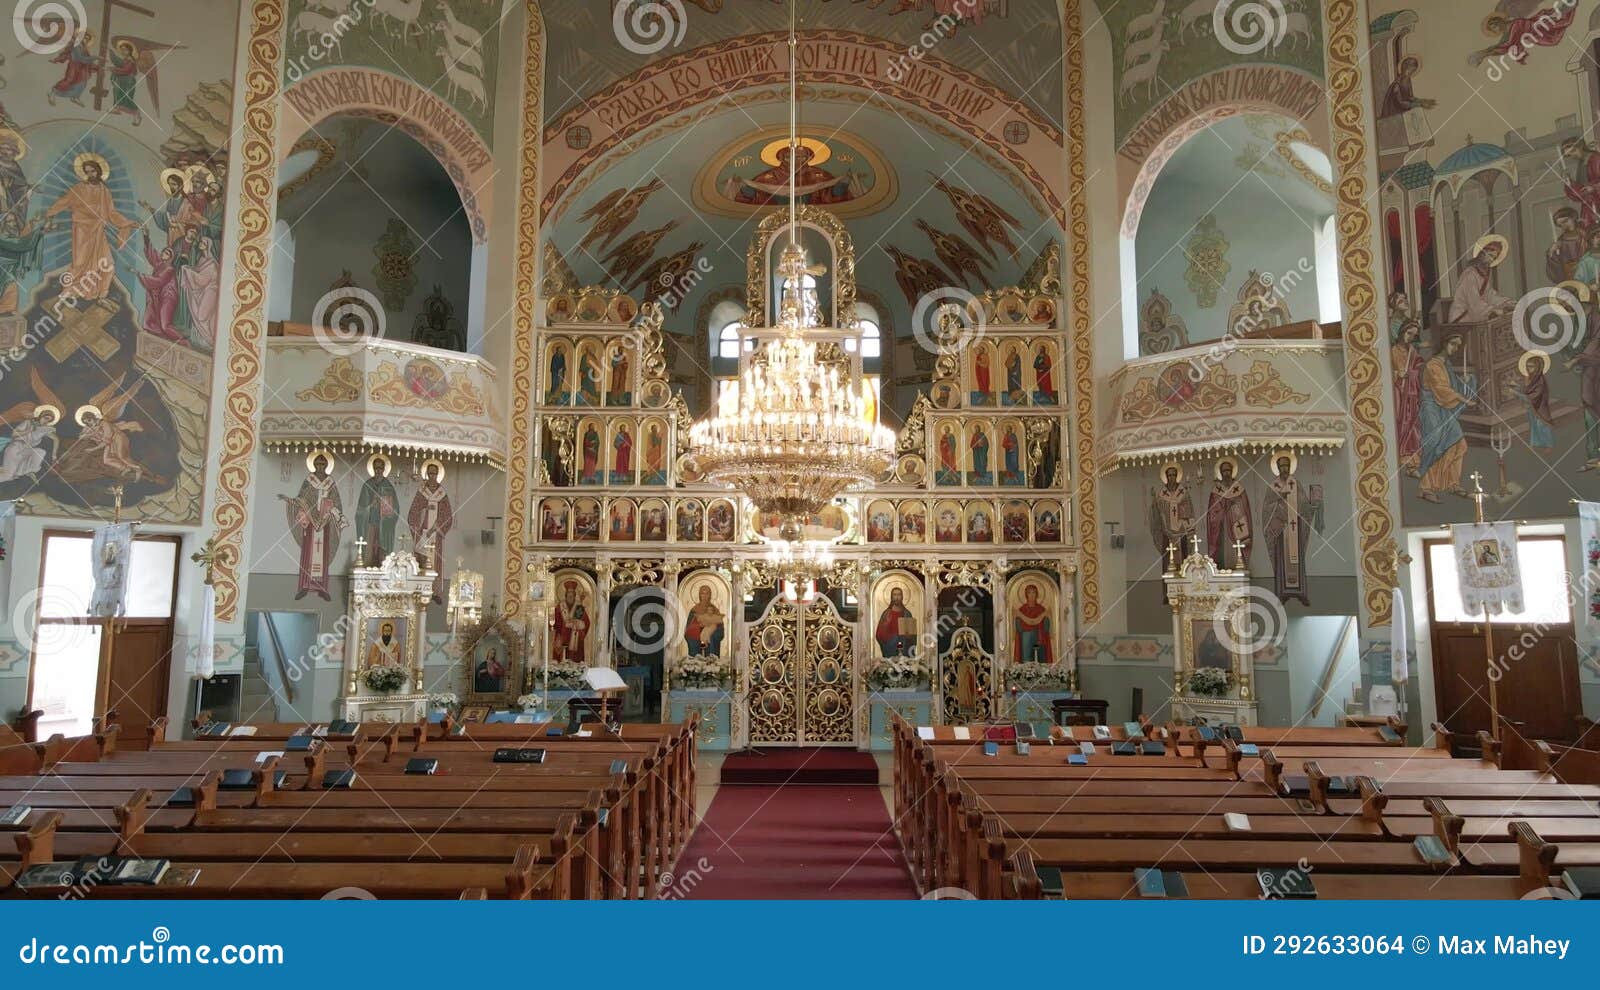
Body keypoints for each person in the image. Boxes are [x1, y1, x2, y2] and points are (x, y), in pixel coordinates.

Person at [43, 154, 139, 299]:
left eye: (92, 171)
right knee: (80, 264)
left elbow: (111, 213)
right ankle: (70, 291)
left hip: (98, 232)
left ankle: (101, 295)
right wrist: (50, 214)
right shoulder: (79, 188)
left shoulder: (104, 191)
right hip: (82, 231)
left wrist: (127, 222)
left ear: (99, 171)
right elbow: (63, 202)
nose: (90, 174)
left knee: (108, 264)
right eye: (87, 172)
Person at [1418, 334, 1477, 500]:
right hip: (1432, 408)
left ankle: (1453, 484)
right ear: (1444, 344)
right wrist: (1464, 398)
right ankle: (1426, 487)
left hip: (1443, 408)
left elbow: (1453, 386)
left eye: (1458, 345)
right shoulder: (1433, 365)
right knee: (1435, 442)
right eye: (1453, 344)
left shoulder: (1446, 364)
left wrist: (1466, 382)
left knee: (1459, 445)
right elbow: (1442, 389)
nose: (1455, 348)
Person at [281, 454, 344, 601]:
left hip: (325, 521)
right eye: (318, 463)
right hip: (310, 523)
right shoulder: (309, 480)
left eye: (323, 464)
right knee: (309, 551)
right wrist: (289, 500)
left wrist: (330, 509)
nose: (320, 466)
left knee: (323, 553)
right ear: (314, 465)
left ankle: (322, 588)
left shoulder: (330, 482)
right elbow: (301, 498)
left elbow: (337, 501)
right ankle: (304, 586)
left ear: (327, 465)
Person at [1262, 456, 1311, 605]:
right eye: (1282, 467)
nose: (1285, 469)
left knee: (1297, 560)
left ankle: (1301, 593)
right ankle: (1282, 594)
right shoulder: (1273, 486)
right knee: (1282, 560)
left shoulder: (1296, 484)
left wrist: (1311, 504)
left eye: (1287, 466)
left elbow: (1303, 503)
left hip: (1294, 527)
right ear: (1278, 468)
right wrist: (1279, 497)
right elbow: (1266, 507)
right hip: (1281, 530)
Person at [408, 461, 453, 601]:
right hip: (423, 532)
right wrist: (425, 510)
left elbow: (448, 515)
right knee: (421, 557)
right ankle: (419, 589)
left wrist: (436, 526)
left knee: (435, 560)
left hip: (435, 535)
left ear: (437, 475)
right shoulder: (421, 492)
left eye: (434, 473)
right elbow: (413, 512)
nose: (432, 476)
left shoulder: (442, 494)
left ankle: (435, 591)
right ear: (427, 474)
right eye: (430, 473)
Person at [1446, 238, 1513, 324]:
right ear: (1481, 253)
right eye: (1490, 255)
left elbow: (1489, 295)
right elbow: (1474, 303)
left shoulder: (1482, 275)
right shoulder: (1470, 275)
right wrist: (1493, 311)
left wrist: (1507, 303)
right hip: (1461, 319)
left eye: (1494, 258)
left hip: (1473, 316)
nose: (1491, 260)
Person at [1205, 459, 1251, 571]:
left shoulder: (1239, 488)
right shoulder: (1216, 490)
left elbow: (1245, 509)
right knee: (1222, 554)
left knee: (1236, 554)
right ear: (1220, 473)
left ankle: (1239, 565)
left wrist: (1234, 506)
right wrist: (1223, 508)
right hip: (1222, 529)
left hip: (1236, 527)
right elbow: (1212, 512)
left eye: (1228, 470)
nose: (1226, 473)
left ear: (1232, 471)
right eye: (1224, 471)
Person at [355, 455, 399, 565]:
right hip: (370, 523)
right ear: (373, 469)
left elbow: (396, 510)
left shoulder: (388, 486)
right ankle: (367, 568)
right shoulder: (367, 485)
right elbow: (360, 510)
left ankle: (382, 570)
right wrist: (370, 505)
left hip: (383, 525)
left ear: (384, 469)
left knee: (381, 551)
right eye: (376, 468)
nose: (378, 470)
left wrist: (386, 509)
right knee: (370, 549)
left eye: (380, 468)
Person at [1013, 584, 1052, 664]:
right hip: (1026, 638)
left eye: (1034, 592)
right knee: (1027, 659)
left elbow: (1040, 624)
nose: (1031, 595)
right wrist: (1044, 614)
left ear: (1037, 594)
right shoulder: (1023, 609)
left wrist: (1044, 615)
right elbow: (1029, 622)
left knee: (1040, 659)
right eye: (1029, 593)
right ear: (1026, 595)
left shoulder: (1041, 609)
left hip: (1039, 638)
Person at [874, 586, 917, 658]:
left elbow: (913, 635)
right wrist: (886, 626)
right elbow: (879, 635)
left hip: (904, 647)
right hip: (890, 646)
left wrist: (909, 636)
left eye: (899, 595)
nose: (897, 597)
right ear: (891, 597)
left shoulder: (907, 613)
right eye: (894, 595)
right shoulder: (887, 613)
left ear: (902, 597)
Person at [553, 581, 590, 662]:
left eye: (572, 594)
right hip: (562, 639)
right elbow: (554, 622)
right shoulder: (560, 607)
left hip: (576, 639)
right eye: (569, 593)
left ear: (574, 595)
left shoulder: (579, 607)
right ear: (565, 594)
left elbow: (587, 623)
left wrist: (581, 626)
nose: (570, 595)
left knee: (575, 661)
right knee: (561, 662)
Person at [684, 585, 725, 657]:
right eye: (702, 593)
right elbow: (689, 628)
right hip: (695, 639)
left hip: (711, 639)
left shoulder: (714, 610)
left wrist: (711, 632)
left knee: (710, 640)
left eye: (707, 593)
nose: (705, 596)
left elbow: (720, 629)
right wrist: (699, 626)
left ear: (710, 595)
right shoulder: (695, 610)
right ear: (699, 595)